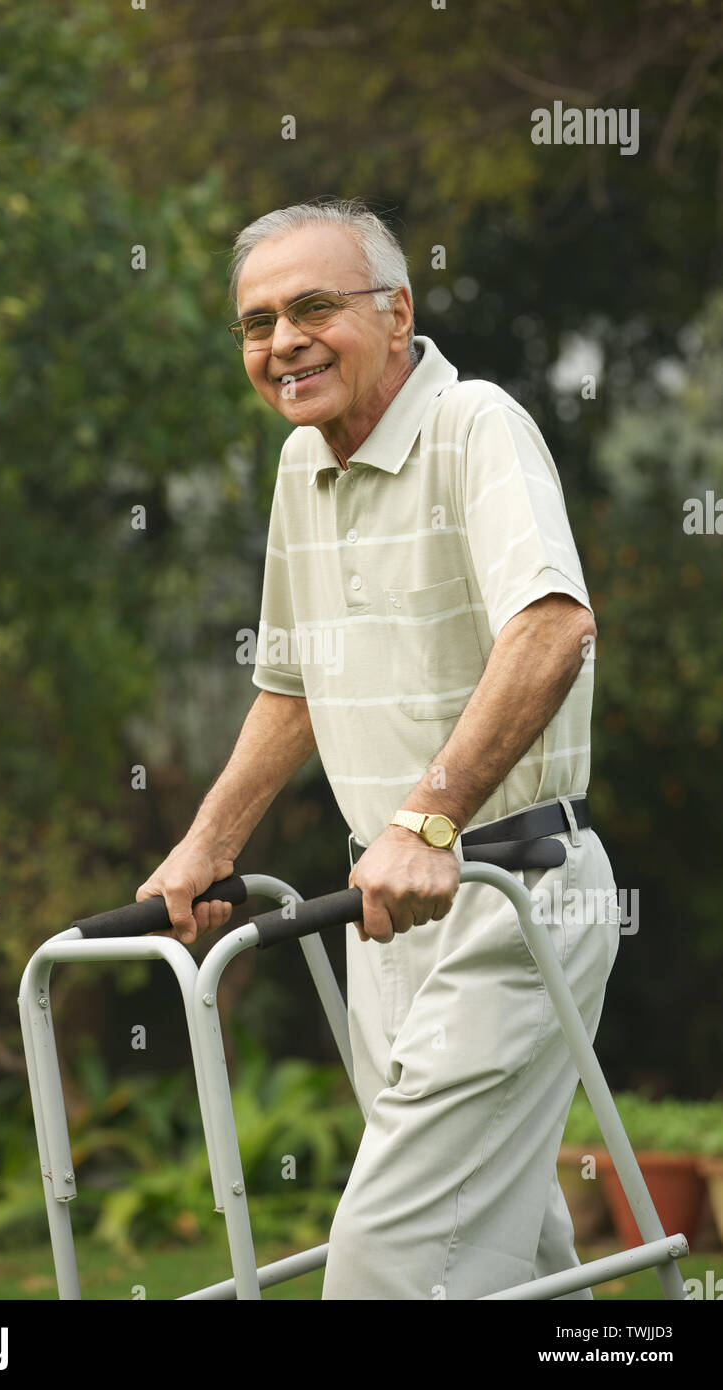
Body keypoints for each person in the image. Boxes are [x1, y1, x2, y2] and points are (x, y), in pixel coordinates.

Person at [136, 198, 621, 1299]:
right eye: (257, 322)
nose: (281, 341)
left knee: (387, 1262)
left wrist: (425, 818)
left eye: (313, 307)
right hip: (383, 915)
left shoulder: (475, 424)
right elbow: (294, 683)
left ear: (396, 312)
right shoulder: (300, 468)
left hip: (513, 892)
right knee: (509, 1259)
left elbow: (551, 626)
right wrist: (207, 843)